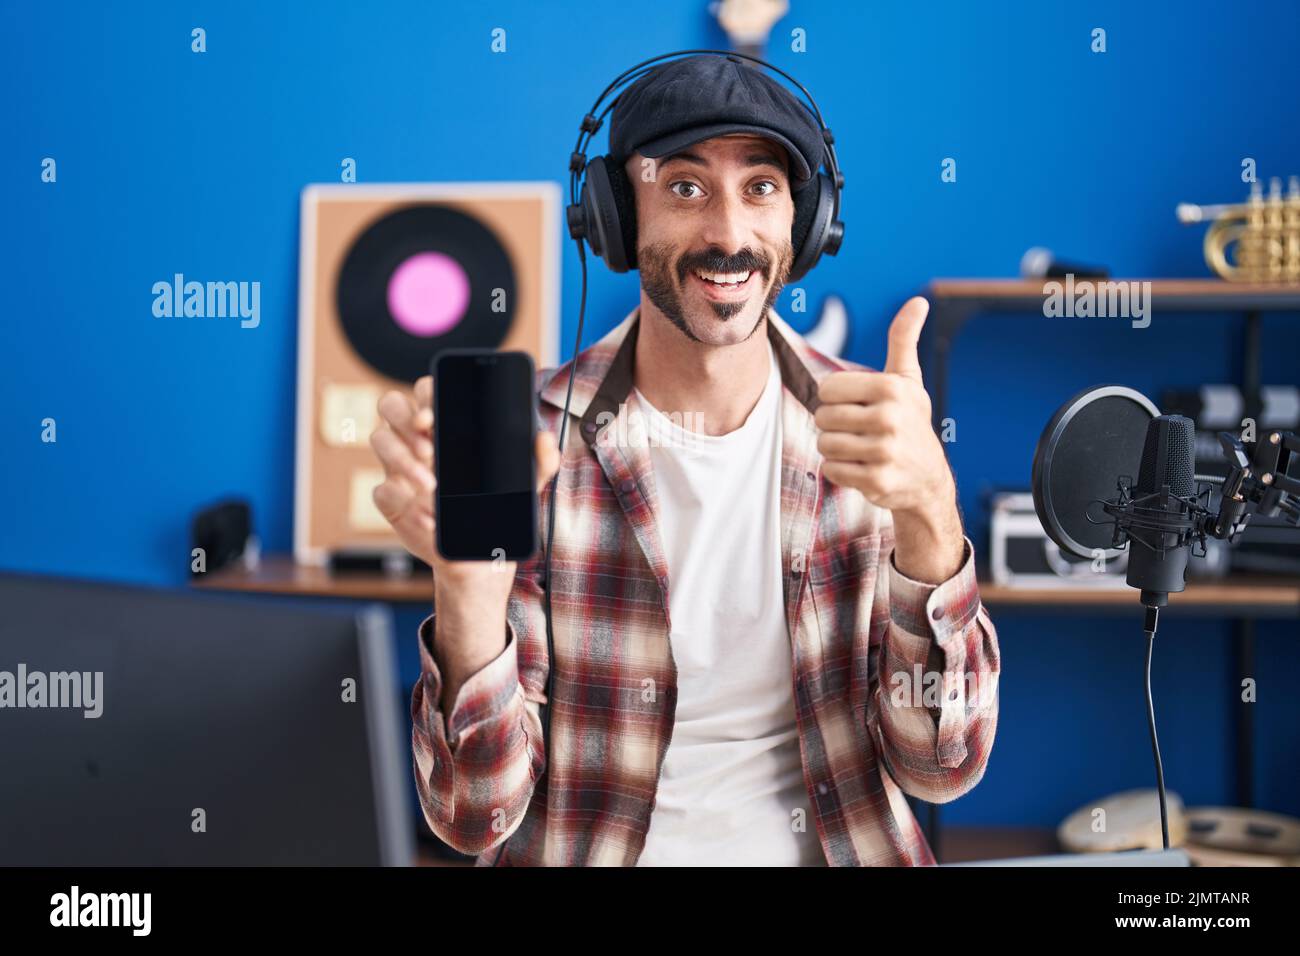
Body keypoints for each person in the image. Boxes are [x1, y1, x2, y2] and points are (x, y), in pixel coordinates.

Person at [370, 54, 1000, 866]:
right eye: (685, 187)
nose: (729, 235)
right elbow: (473, 817)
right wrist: (467, 599)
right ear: (615, 217)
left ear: (808, 226)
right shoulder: (529, 446)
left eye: (761, 187)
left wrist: (929, 519)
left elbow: (940, 768)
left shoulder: (877, 433)